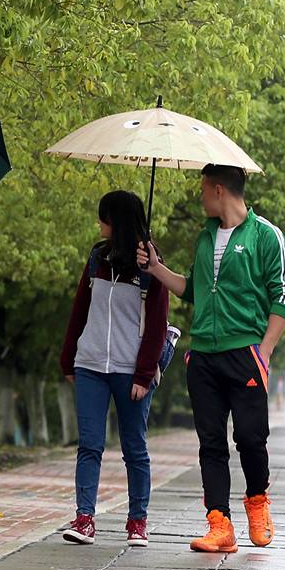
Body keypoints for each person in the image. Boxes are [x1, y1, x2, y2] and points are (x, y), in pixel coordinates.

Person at [137, 163, 285, 553]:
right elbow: (192, 290)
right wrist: (156, 267)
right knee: (210, 443)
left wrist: (265, 350)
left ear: (220, 189)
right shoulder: (205, 238)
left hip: (246, 354)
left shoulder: (266, 236)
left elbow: (284, 295)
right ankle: (219, 524)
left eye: (204, 189)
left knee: (251, 438)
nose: (201, 196)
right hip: (204, 354)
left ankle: (257, 502)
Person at [60, 191, 169, 547]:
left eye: (103, 217)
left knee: (134, 448)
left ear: (117, 221)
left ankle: (137, 521)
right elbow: (80, 309)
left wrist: (143, 374)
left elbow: (157, 324)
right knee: (89, 445)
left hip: (131, 370)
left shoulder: (150, 265)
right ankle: (84, 518)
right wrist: (68, 358)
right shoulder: (97, 258)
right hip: (90, 364)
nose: (99, 223)